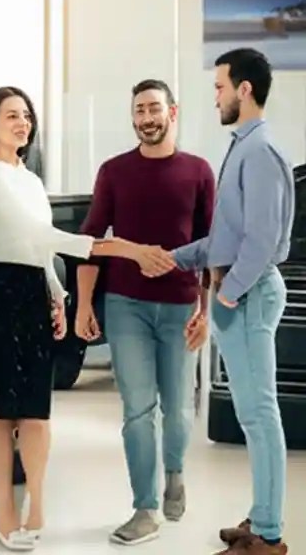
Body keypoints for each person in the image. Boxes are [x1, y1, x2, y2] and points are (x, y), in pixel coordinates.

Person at [0, 85, 172, 551]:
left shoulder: (30, 179)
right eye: (12, 116)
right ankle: (4, 515)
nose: (22, 124)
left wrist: (57, 295)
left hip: (35, 292)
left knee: (37, 412)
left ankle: (36, 505)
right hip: (0, 297)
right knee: (2, 414)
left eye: (27, 116)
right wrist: (120, 248)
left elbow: (38, 249)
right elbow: (40, 233)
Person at [151, 48, 294, 555]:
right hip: (240, 293)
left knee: (259, 415)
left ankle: (270, 536)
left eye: (219, 87)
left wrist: (227, 297)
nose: (215, 96)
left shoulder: (259, 153)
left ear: (245, 89)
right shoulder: (242, 147)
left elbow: (260, 241)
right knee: (256, 416)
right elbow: (224, 238)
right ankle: (261, 518)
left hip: (248, 295)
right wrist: (172, 257)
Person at [74, 79, 216, 545]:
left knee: (177, 408)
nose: (147, 118)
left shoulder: (198, 171)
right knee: (138, 409)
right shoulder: (113, 171)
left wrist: (205, 311)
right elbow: (91, 239)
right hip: (125, 305)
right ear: (133, 117)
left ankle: (174, 471)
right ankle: (145, 507)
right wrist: (83, 306)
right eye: (139, 110)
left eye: (155, 108)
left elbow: (212, 248)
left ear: (172, 113)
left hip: (180, 306)